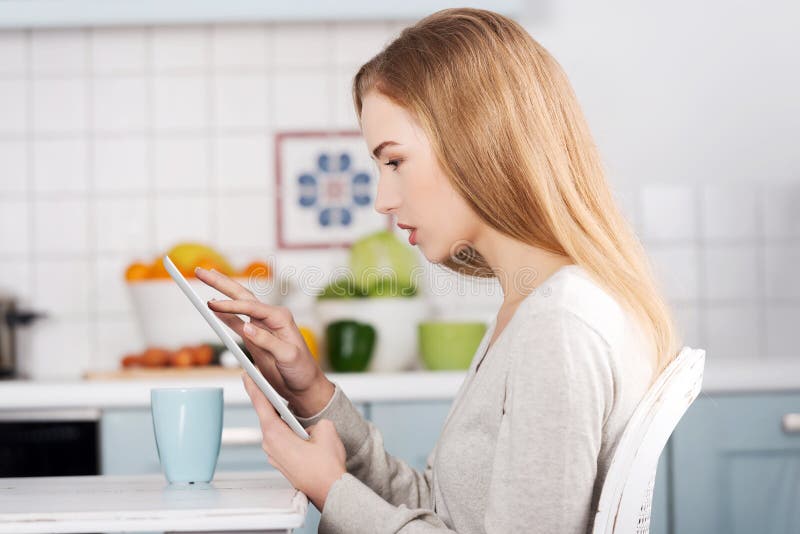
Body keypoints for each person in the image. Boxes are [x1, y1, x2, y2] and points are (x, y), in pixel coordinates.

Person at [195, 7, 680, 533]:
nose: (382, 200)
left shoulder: (558, 327)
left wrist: (329, 489)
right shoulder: (537, 305)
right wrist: (312, 392)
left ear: (475, 137)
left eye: (395, 161)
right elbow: (445, 507)